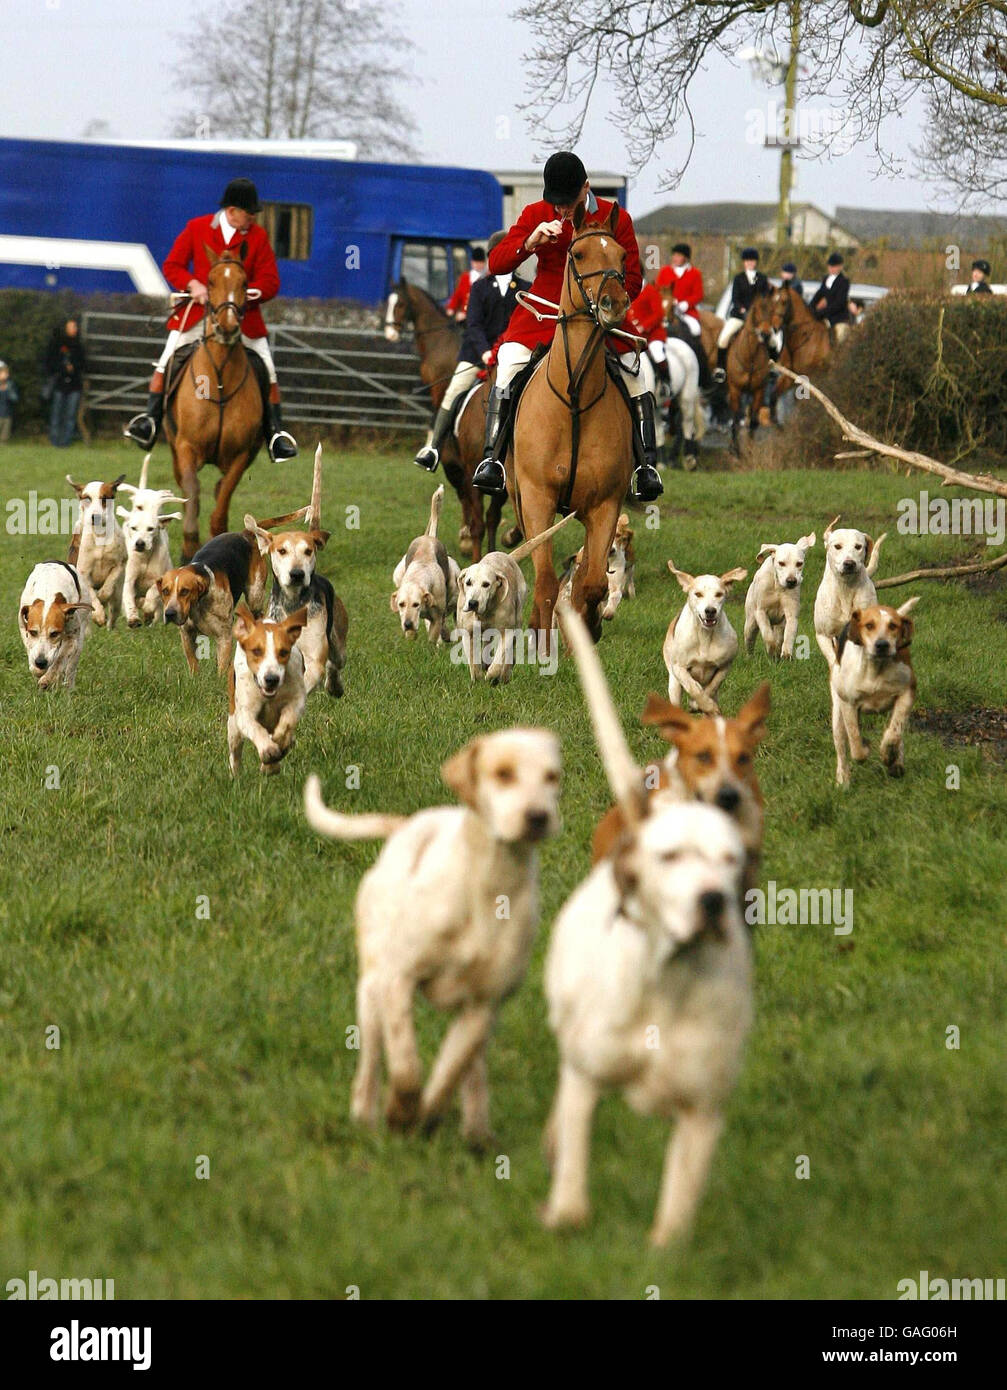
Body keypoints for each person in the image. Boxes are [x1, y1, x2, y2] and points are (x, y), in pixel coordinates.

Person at [472, 151, 661, 502]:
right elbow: (496, 263)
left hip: (597, 318)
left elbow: (633, 278)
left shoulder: (614, 218)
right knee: (511, 359)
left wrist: (605, 302)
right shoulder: (535, 214)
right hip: (544, 313)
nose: (560, 211)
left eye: (567, 203)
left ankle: (645, 467)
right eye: (555, 204)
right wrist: (530, 243)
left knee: (636, 373)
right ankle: (492, 461)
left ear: (585, 188)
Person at [125, 178, 296, 462]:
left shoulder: (258, 237)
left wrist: (248, 293)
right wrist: (193, 284)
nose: (253, 218)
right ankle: (149, 421)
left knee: (268, 367)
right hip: (197, 315)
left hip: (242, 316)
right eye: (248, 213)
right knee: (167, 358)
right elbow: (172, 265)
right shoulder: (197, 228)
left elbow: (271, 280)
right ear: (231, 211)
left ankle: (275, 434)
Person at [414, 232, 528, 471]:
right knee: (454, 390)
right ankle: (434, 448)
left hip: (513, 356)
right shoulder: (479, 288)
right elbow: (473, 325)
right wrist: (486, 352)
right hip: (478, 355)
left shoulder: (526, 288)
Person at [654, 246, 713, 389]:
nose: (675, 258)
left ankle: (701, 365)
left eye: (679, 255)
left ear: (685, 258)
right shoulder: (665, 271)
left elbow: (699, 294)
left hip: (687, 312)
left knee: (695, 330)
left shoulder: (694, 273)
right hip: (667, 312)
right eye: (674, 255)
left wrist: (686, 304)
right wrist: (669, 302)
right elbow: (658, 290)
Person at [715, 247, 769, 381]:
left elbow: (764, 298)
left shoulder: (762, 278)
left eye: (752, 260)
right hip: (739, 316)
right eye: (747, 261)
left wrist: (756, 312)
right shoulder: (738, 278)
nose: (750, 263)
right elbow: (735, 298)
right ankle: (720, 368)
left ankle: (772, 368)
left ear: (756, 262)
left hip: (757, 319)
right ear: (744, 262)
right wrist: (743, 310)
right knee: (723, 338)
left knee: (772, 340)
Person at [44, 318, 86, 448]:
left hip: (74, 386)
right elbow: (50, 363)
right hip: (59, 384)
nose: (75, 329)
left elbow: (84, 364)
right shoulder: (56, 344)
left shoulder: (79, 345)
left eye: (75, 326)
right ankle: (55, 441)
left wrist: (74, 367)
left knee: (70, 415)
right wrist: (62, 368)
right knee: (56, 414)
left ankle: (65, 442)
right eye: (71, 327)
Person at [811, 251, 851, 342]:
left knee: (840, 337)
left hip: (838, 318)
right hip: (824, 316)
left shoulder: (844, 281)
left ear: (840, 267)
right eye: (830, 266)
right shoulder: (826, 279)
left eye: (834, 266)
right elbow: (819, 294)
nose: (831, 268)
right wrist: (810, 308)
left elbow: (839, 303)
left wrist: (822, 312)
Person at [445, 246, 488, 321]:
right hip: (464, 318)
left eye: (480, 262)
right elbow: (458, 295)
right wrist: (451, 308)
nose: (477, 264)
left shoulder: (488, 278)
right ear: (472, 263)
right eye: (475, 262)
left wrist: (465, 313)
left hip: (482, 318)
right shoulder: (465, 277)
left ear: (484, 263)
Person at [0, 360, 19, 443]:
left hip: (7, 414)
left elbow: (15, 398)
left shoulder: (10, 385)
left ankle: (3, 444)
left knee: (5, 436)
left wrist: (8, 390)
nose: (5, 375)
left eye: (6, 373)